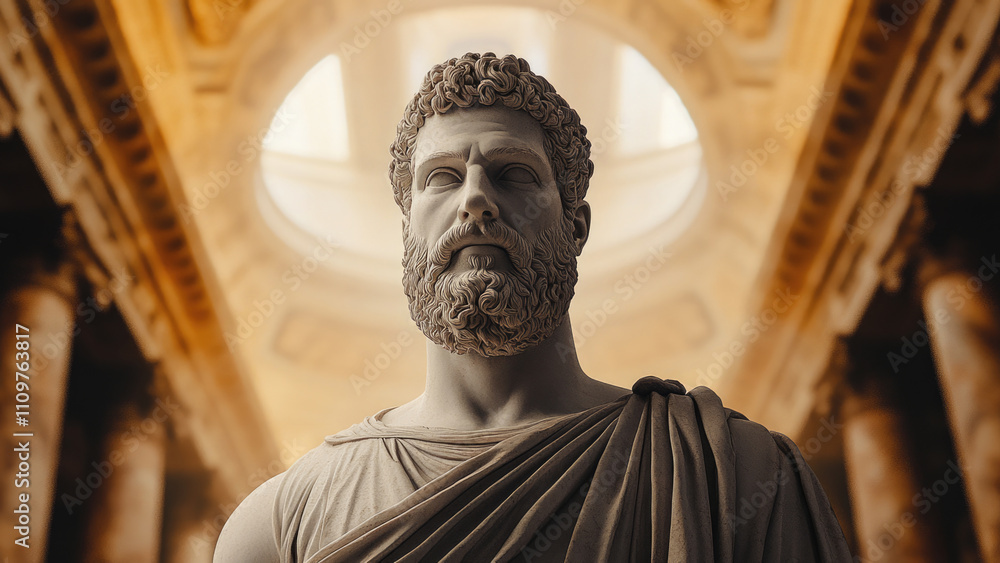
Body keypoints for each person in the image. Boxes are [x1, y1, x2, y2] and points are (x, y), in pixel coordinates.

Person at [214, 52, 851, 562]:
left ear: (577, 226)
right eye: (441, 178)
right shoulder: (276, 527)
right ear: (405, 231)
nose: (475, 200)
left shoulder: (733, 472)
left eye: (513, 173)